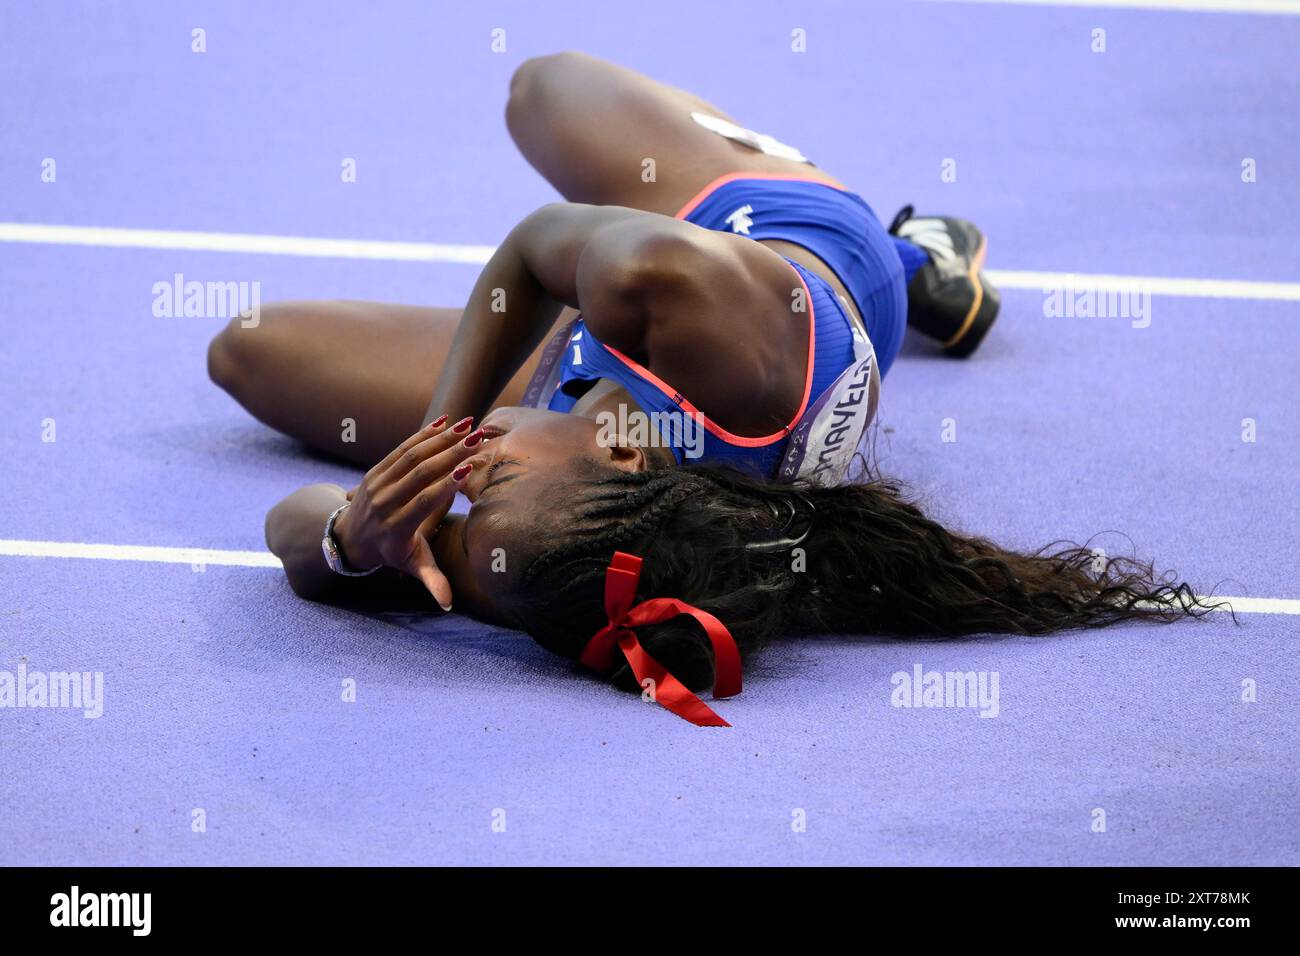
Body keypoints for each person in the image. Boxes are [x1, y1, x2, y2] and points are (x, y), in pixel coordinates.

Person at [208, 53, 1208, 725]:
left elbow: (293, 531)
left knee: (246, 349)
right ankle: (922, 259)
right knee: (541, 89)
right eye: (492, 484)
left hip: (566, 380)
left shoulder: (544, 567)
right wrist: (441, 425)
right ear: (622, 451)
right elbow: (535, 249)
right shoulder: (676, 292)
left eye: (464, 496)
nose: (466, 482)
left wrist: (357, 536)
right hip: (788, 254)